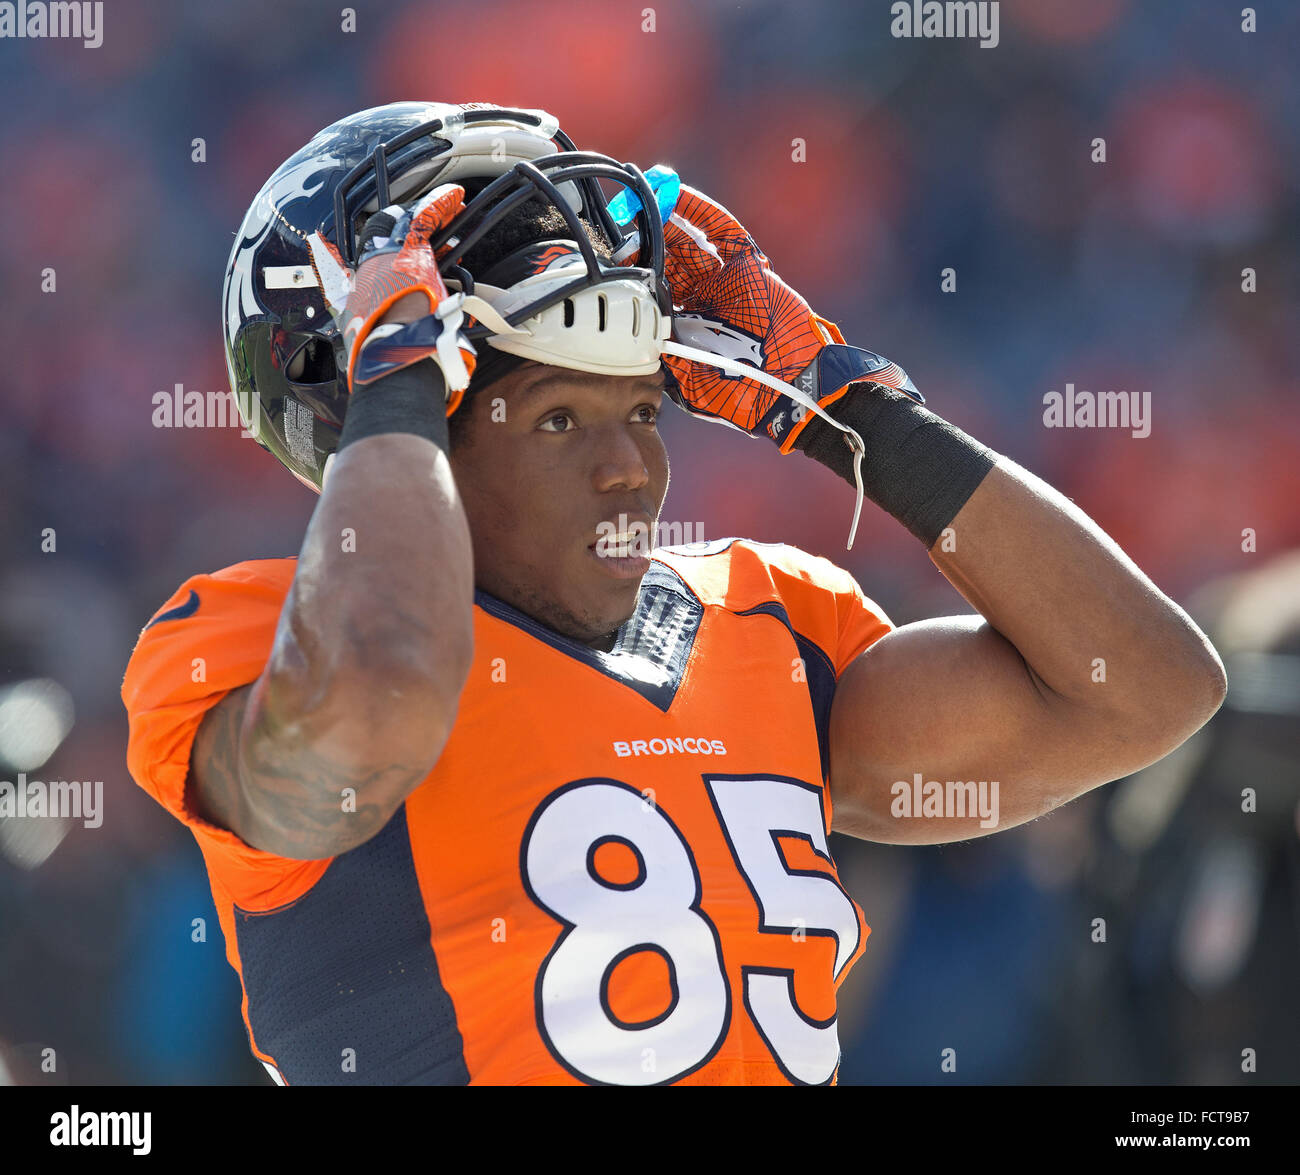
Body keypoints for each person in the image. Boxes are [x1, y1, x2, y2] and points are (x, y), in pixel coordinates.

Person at [121, 101, 1226, 1086]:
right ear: (393, 420)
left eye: (644, 411)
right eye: (558, 419)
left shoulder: (769, 620)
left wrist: (859, 413)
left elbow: (1141, 688)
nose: (632, 470)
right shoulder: (247, 639)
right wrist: (397, 392)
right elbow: (375, 702)